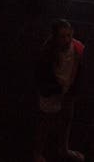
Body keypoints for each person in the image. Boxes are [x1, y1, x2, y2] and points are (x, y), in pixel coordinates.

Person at [34, 19, 85, 162]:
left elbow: (77, 67)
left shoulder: (76, 47)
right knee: (46, 122)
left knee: (66, 118)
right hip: (52, 91)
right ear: (55, 37)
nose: (67, 40)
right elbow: (42, 77)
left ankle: (63, 148)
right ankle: (37, 152)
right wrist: (56, 88)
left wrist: (71, 87)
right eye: (63, 37)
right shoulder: (47, 54)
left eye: (69, 35)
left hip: (67, 90)